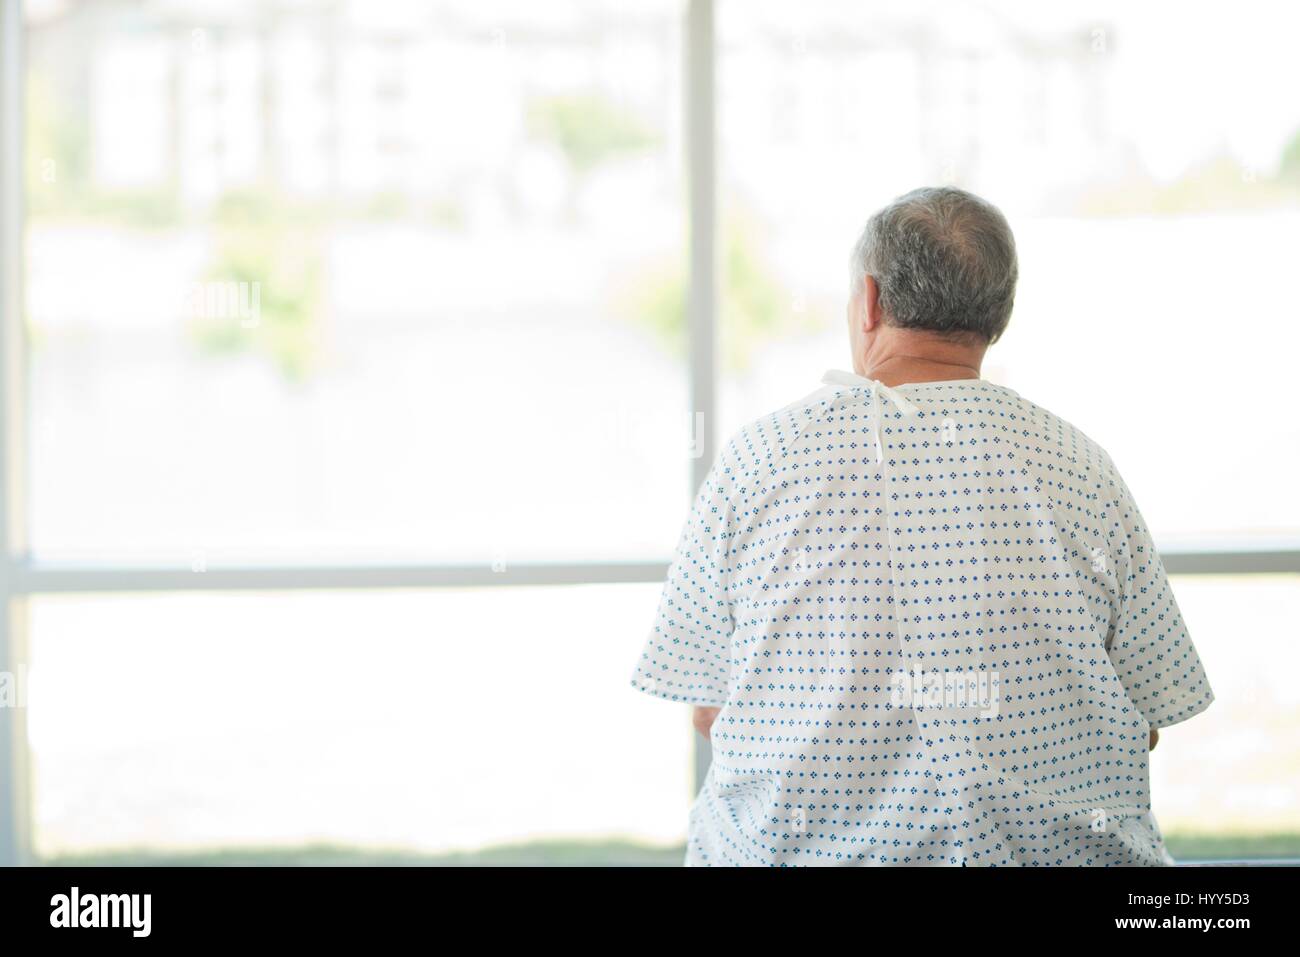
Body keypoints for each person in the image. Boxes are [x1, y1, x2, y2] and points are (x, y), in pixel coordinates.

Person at [630, 186, 1213, 866]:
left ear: (869, 301)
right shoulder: (1083, 469)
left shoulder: (759, 462)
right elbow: (1144, 715)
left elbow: (709, 709)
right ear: (998, 314)